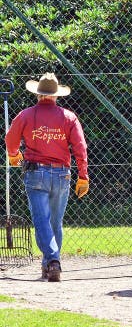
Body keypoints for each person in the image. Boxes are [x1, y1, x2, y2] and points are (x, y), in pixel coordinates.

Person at [5, 73, 89, 282]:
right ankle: (49, 266)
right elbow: (80, 147)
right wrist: (83, 176)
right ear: (56, 95)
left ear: (38, 95)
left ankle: (52, 261)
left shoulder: (25, 115)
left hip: (36, 173)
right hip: (62, 174)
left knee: (42, 221)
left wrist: (14, 155)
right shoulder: (69, 117)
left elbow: (11, 139)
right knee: (55, 222)